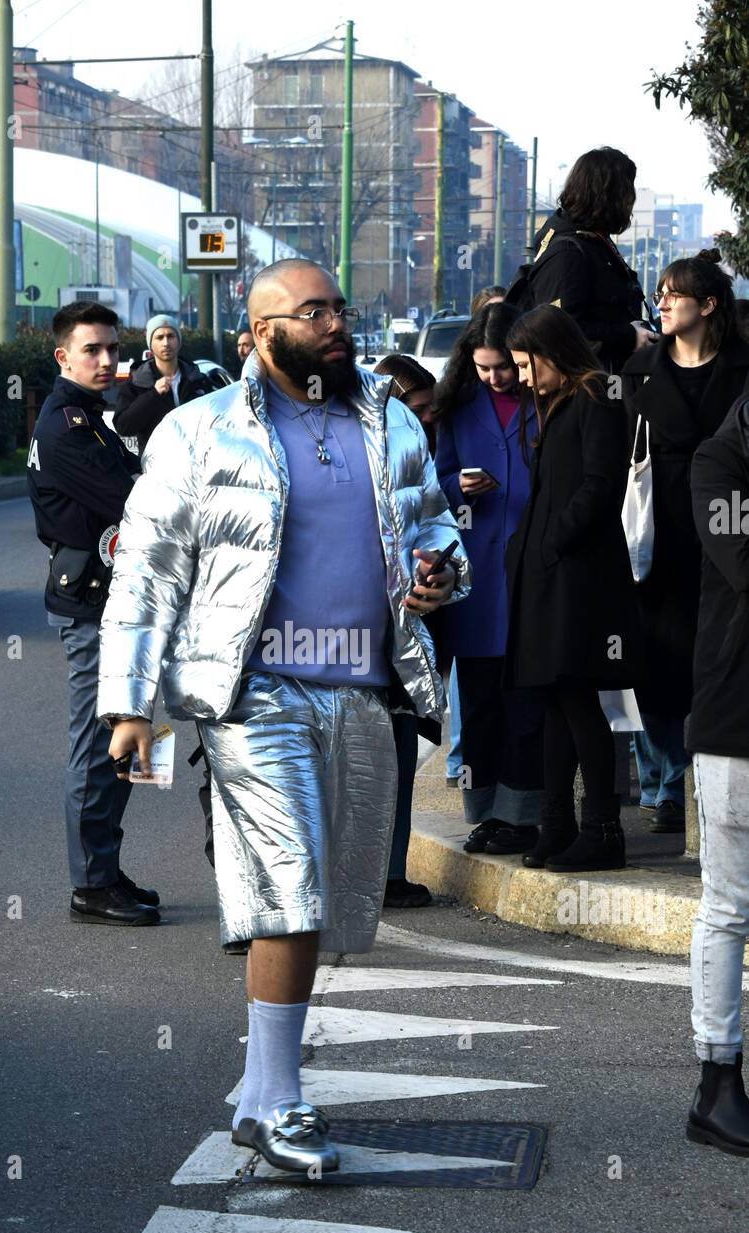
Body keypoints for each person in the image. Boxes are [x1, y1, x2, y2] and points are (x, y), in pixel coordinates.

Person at [98, 258, 468, 1174]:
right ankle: (280, 1101)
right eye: (314, 312)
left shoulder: (385, 420)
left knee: (340, 898)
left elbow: (436, 526)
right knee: (292, 883)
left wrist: (438, 572)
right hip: (252, 691)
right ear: (261, 333)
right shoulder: (199, 432)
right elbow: (145, 570)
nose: (336, 323)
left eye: (339, 306)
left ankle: (262, 1096)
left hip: (359, 687)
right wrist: (130, 704)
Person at [26, 301, 160, 927]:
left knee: (123, 736)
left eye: (113, 348)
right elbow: (132, 499)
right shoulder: (68, 425)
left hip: (111, 599)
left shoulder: (93, 418)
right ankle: (89, 886)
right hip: (90, 602)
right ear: (63, 357)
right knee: (96, 743)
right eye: (92, 350)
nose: (107, 360)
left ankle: (104, 868)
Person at [504, 304, 640, 871]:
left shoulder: (595, 398)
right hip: (548, 576)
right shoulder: (561, 402)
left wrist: (554, 540)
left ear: (552, 350)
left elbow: (600, 484)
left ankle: (602, 830)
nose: (525, 377)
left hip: (578, 579)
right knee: (556, 701)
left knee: (580, 702)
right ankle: (557, 824)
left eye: (528, 364)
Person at [622, 249, 749, 834]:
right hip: (658, 531)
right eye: (660, 292)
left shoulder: (743, 371)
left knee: (714, 658)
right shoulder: (639, 373)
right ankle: (664, 784)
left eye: (675, 293)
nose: (663, 301)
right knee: (655, 664)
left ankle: (701, 780)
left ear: (710, 304)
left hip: (726, 534)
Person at [433, 302, 545, 855]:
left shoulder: (542, 398)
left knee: (525, 701)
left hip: (529, 570)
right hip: (473, 572)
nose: (496, 377)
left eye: (503, 366)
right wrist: (459, 486)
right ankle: (484, 812)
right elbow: (436, 478)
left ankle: (522, 814)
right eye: (483, 368)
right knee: (477, 701)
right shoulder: (457, 404)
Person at [685, 395, 749, 1155]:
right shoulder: (719, 459)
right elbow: (741, 561)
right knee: (730, 904)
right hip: (738, 712)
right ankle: (717, 1082)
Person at [373, 354, 439, 908]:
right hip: (360, 633)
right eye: (415, 409)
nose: (425, 418)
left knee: (400, 747)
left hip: (407, 626)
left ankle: (391, 873)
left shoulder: (420, 455)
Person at [506, 148, 656, 374]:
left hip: (604, 381)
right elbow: (559, 329)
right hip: (586, 390)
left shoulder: (590, 241)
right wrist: (628, 336)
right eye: (627, 191)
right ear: (608, 195)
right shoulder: (567, 252)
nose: (631, 202)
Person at [112, 314, 212, 457]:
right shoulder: (137, 381)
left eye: (170, 336)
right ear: (150, 344)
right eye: (159, 337)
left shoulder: (196, 379)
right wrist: (153, 394)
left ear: (178, 341)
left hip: (194, 465)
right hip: (156, 467)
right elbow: (123, 426)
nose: (166, 343)